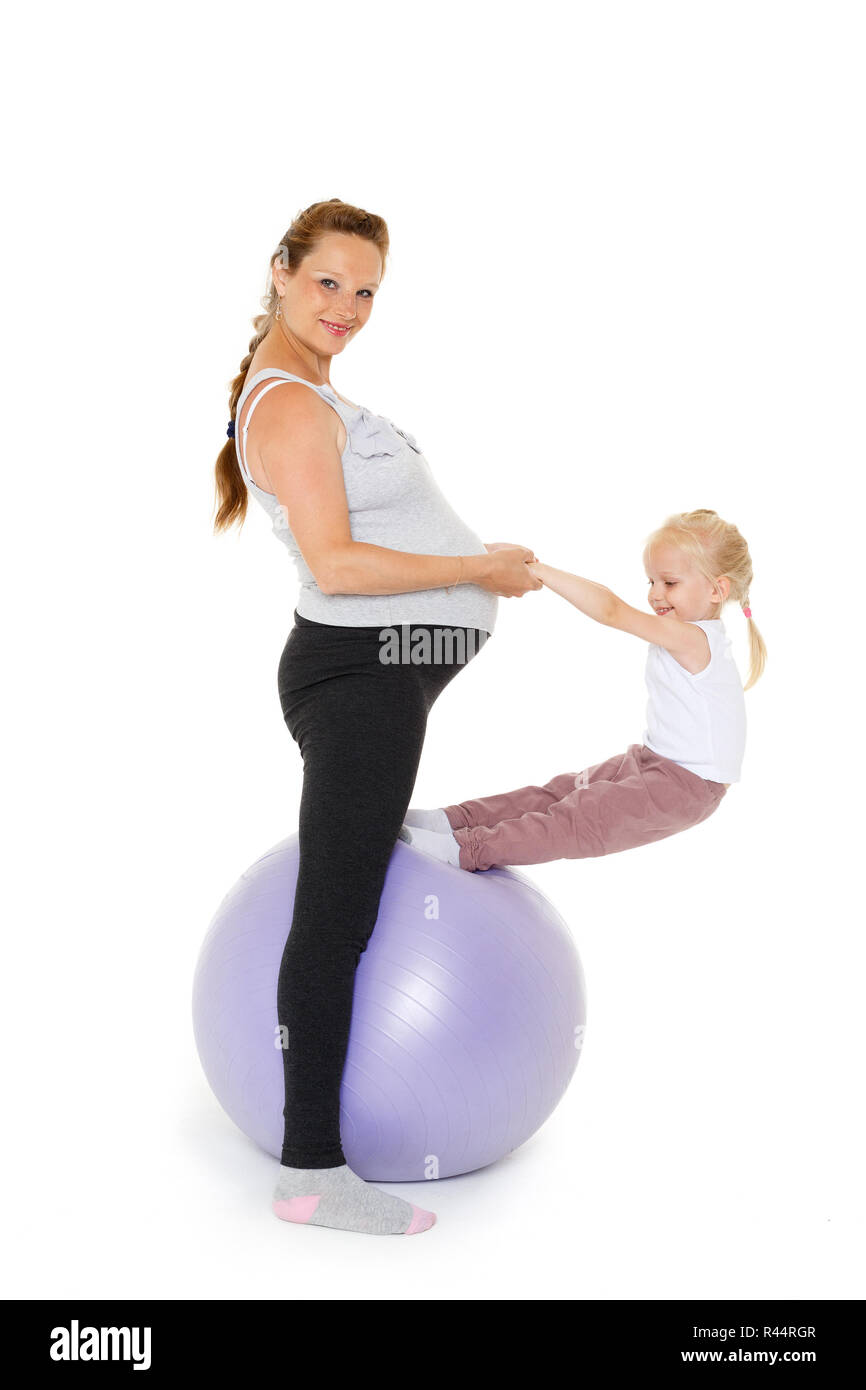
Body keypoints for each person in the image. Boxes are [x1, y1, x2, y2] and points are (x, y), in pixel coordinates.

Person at [213, 198, 541, 1235]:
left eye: (365, 292)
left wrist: (471, 592)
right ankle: (311, 1172)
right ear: (279, 272)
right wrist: (477, 567)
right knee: (335, 917)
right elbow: (339, 567)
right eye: (327, 282)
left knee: (349, 885)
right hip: (355, 674)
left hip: (381, 672)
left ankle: (313, 1159)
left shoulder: (317, 394)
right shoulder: (288, 408)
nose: (347, 306)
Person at [401, 509, 767, 870]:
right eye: (651, 582)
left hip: (686, 787)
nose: (656, 595)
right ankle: (452, 821)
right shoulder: (687, 634)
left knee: (576, 820)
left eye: (669, 583)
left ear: (718, 589)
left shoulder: (695, 637)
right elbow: (612, 606)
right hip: (652, 760)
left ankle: (462, 849)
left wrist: (536, 569)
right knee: (560, 793)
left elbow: (611, 610)